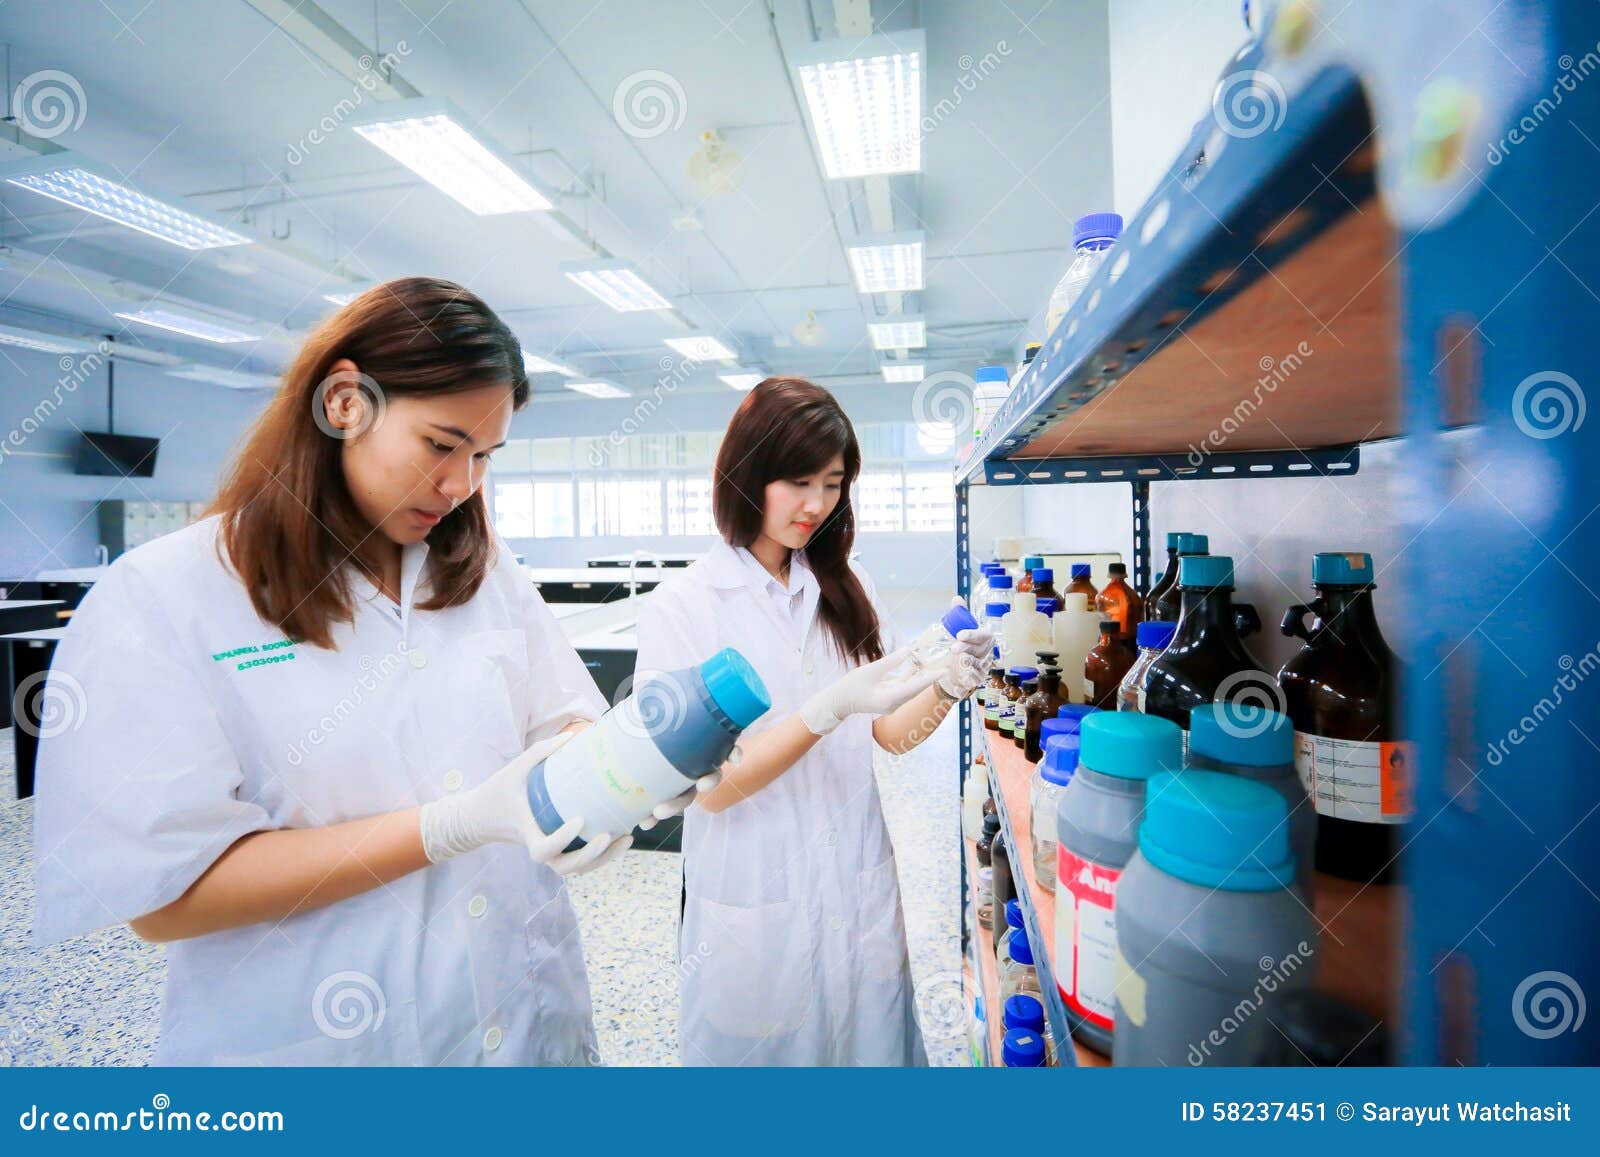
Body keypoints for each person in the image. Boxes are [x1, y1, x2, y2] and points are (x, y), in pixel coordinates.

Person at [31, 277, 690, 1066]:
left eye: (484, 455)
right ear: (345, 402)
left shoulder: (488, 573)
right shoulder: (169, 597)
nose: (463, 485)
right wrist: (447, 826)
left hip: (526, 1022)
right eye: (441, 445)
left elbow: (561, 722)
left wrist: (618, 776)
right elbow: (167, 900)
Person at [635, 377, 991, 1066]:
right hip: (754, 902)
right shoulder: (684, 607)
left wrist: (948, 685)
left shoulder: (845, 585)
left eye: (832, 483)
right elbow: (712, 788)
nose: (816, 505)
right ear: (748, 475)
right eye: (797, 481)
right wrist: (821, 712)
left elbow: (886, 731)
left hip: (858, 885)